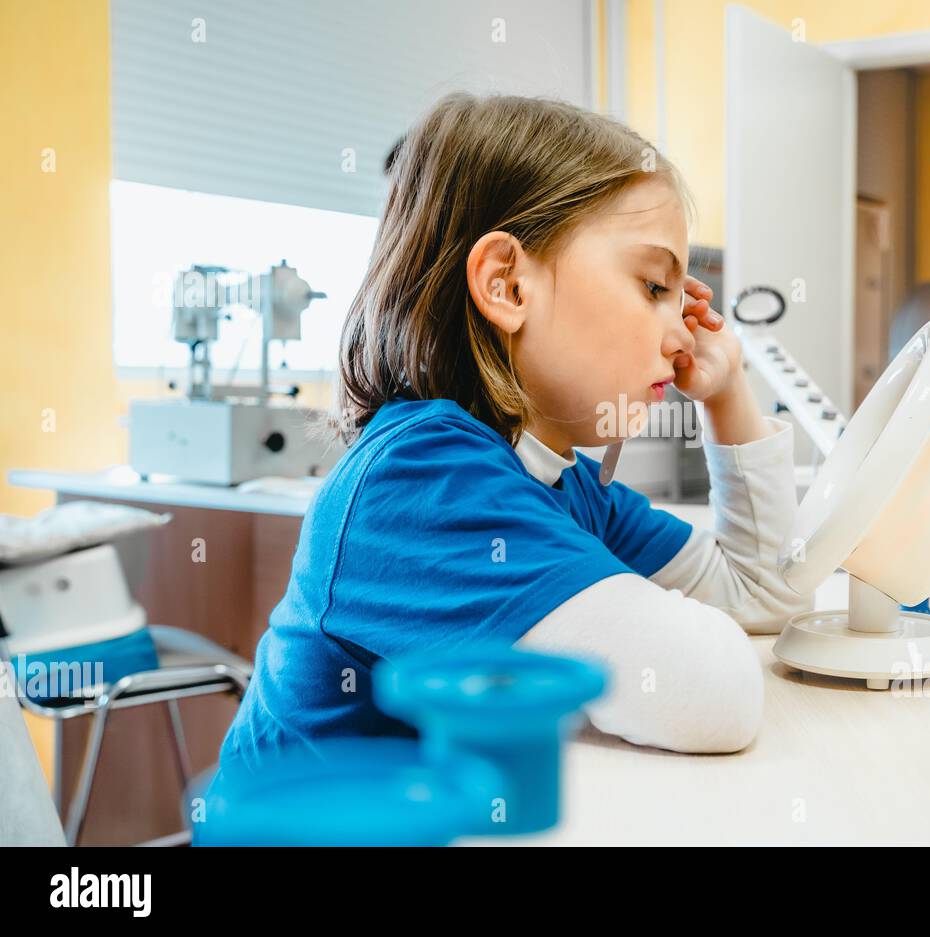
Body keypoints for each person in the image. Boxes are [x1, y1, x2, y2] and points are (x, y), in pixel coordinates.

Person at [219, 92, 811, 773]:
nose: (681, 333)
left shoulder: (562, 481)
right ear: (506, 285)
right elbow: (711, 695)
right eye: (653, 286)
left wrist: (728, 392)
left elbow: (759, 596)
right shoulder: (421, 481)